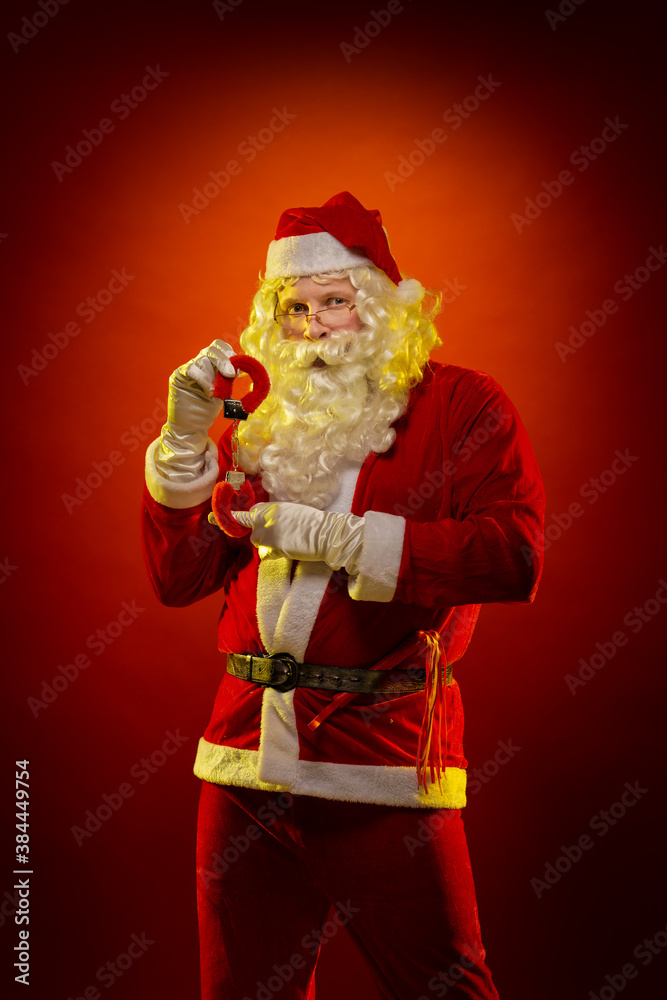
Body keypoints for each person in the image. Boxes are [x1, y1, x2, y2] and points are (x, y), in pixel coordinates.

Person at [141, 191, 545, 1000]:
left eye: (336, 303)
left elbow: (513, 557)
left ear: (382, 310)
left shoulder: (464, 406)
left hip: (382, 765)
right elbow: (179, 576)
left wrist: (341, 539)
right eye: (295, 308)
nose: (315, 326)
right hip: (243, 767)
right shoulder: (260, 423)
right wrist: (183, 438)